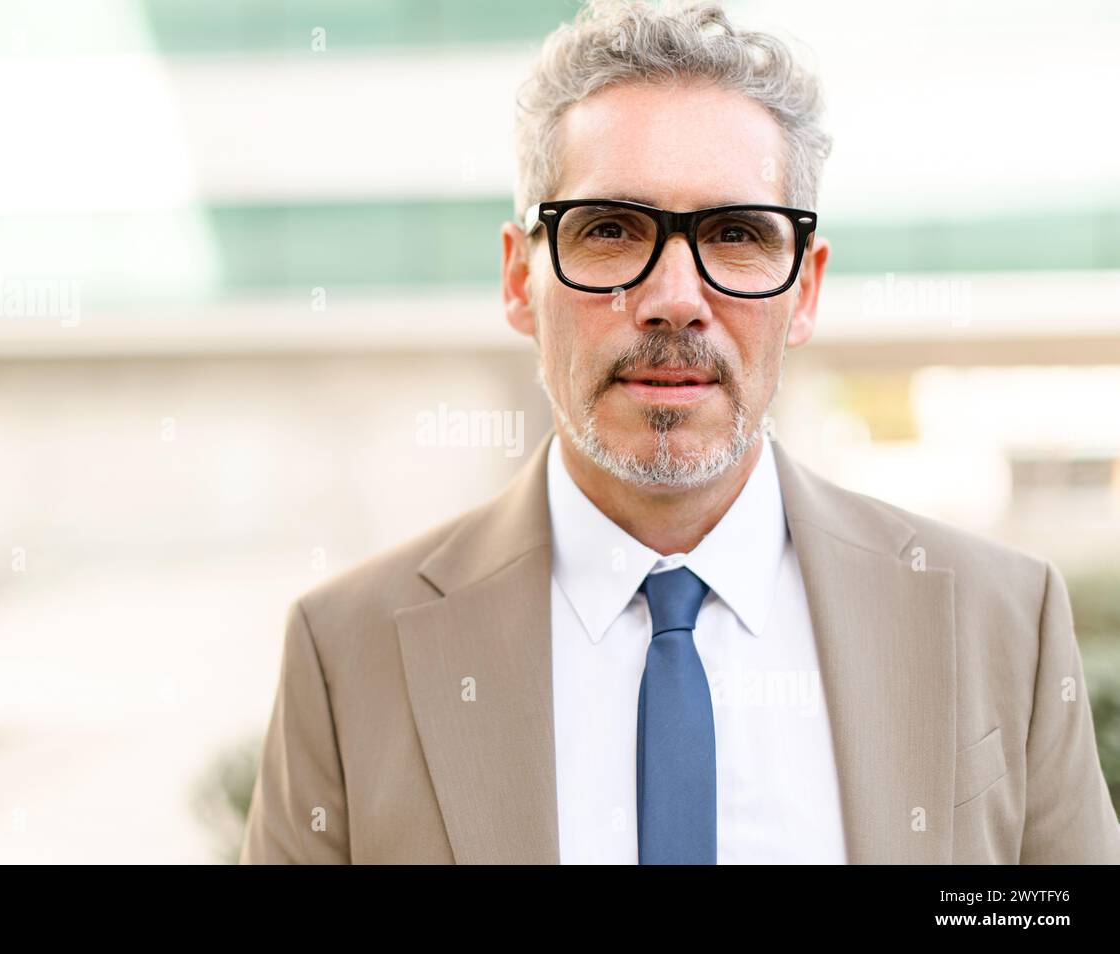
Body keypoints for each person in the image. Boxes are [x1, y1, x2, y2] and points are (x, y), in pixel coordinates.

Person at [240, 0, 1120, 864]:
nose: (672, 299)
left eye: (736, 233)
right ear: (519, 280)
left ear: (804, 289)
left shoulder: (1005, 622)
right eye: (611, 229)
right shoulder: (345, 653)